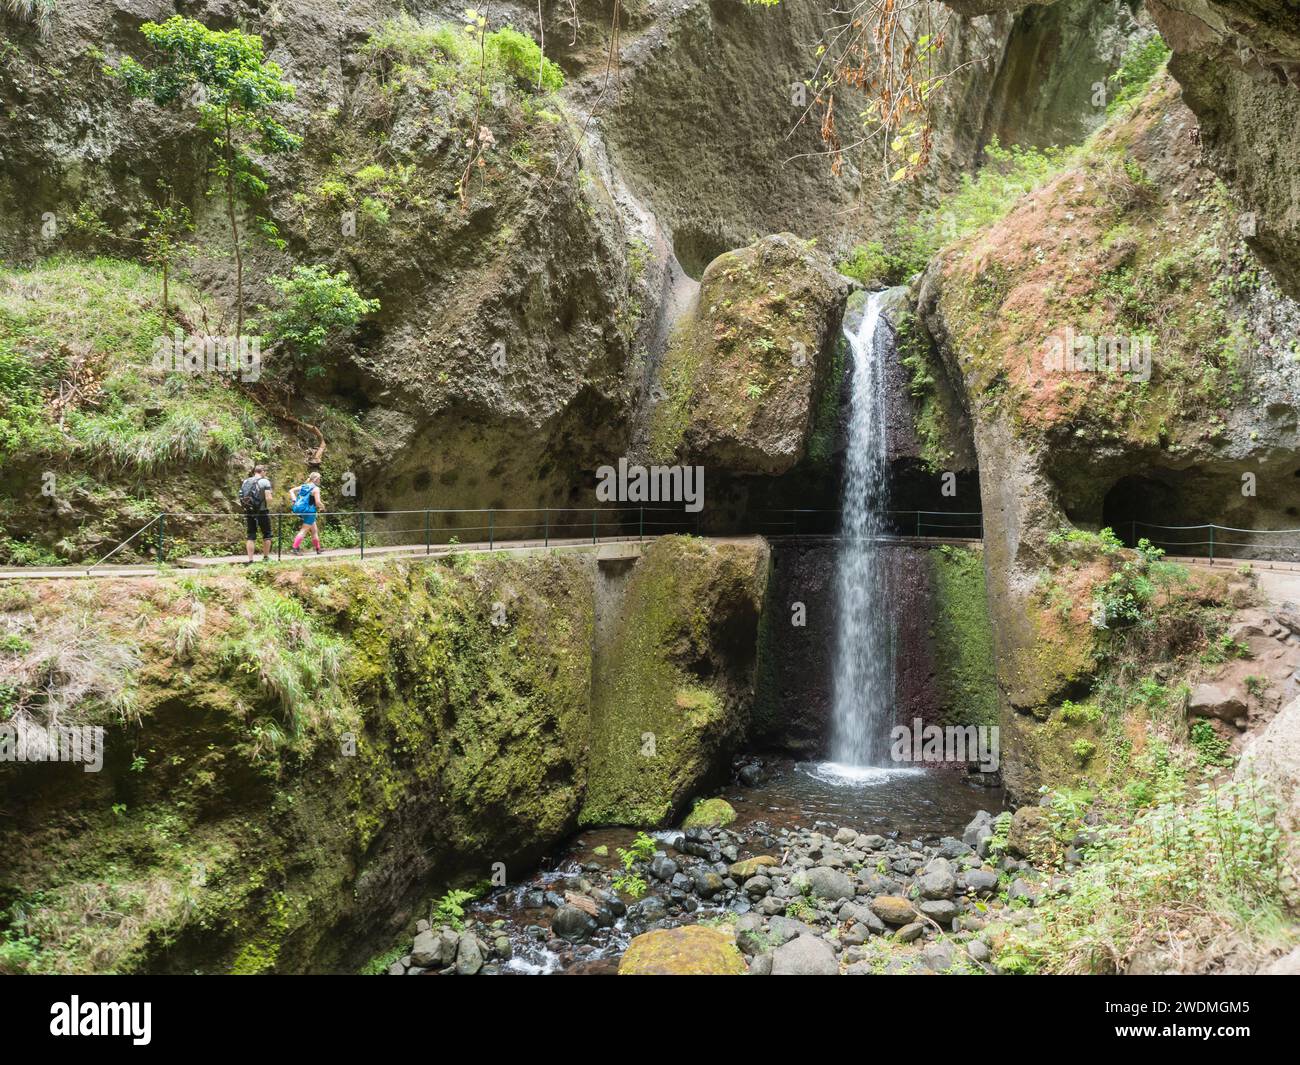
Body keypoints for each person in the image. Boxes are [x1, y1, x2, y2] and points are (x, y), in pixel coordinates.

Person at [239, 464, 273, 563]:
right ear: (262, 471)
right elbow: (268, 499)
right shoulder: (265, 481)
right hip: (262, 511)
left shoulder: (246, 481)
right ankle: (266, 558)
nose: (265, 473)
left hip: (249, 511)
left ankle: (250, 560)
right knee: (267, 534)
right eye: (265, 471)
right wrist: (271, 497)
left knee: (251, 535)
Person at [289, 471, 324, 556]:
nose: (320, 480)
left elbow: (291, 490)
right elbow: (318, 502)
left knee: (314, 530)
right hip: (310, 512)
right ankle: (295, 548)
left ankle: (318, 549)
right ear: (316, 479)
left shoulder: (304, 486)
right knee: (304, 530)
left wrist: (294, 500)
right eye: (319, 479)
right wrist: (323, 507)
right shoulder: (315, 489)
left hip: (302, 511)